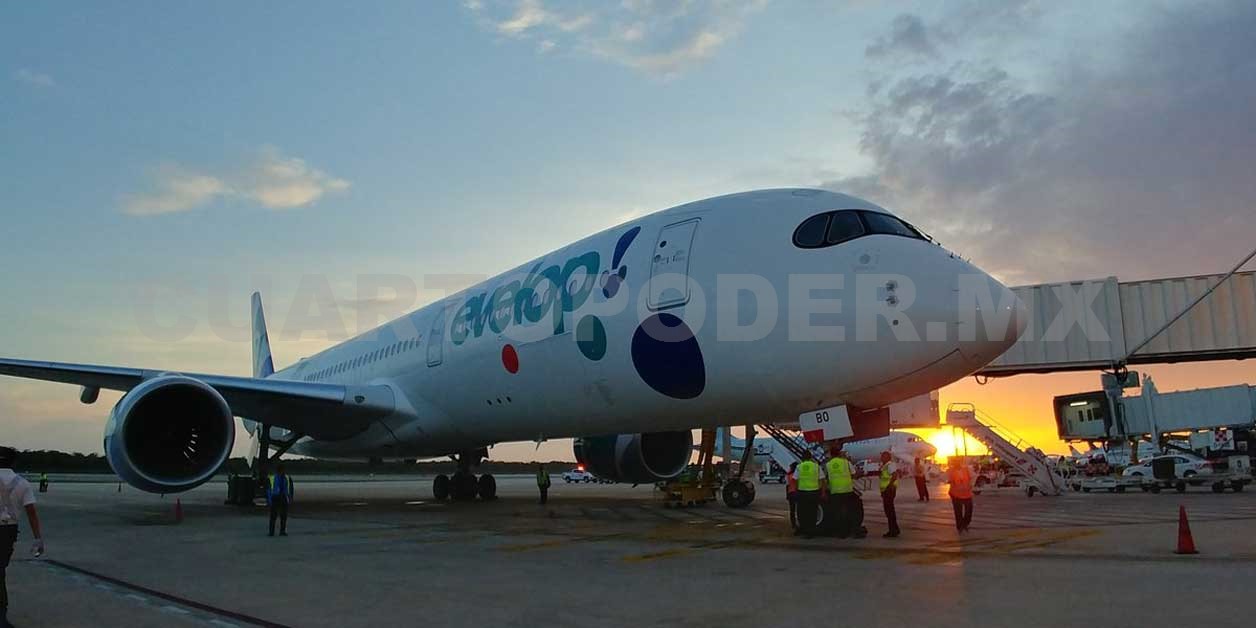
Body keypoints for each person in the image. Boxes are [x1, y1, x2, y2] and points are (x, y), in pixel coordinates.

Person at [1, 447, 44, 628]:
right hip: (7, 532)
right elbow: (31, 512)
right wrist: (37, 538)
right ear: (13, 462)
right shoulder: (22, 483)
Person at [826, 446, 860, 538]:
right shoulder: (846, 462)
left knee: (838, 512)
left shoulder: (828, 465)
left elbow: (827, 477)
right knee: (850, 511)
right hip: (847, 490)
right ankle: (852, 530)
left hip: (835, 491)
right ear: (839, 453)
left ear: (831, 454)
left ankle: (841, 533)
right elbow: (854, 475)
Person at [792, 451, 824, 537]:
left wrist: (796, 490)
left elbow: (795, 479)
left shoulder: (799, 466)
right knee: (812, 512)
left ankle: (804, 530)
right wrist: (821, 491)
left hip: (802, 492)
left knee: (803, 512)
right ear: (811, 457)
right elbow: (821, 479)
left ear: (802, 457)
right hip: (814, 492)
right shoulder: (816, 466)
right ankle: (811, 531)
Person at [267, 463, 294, 537]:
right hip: (276, 497)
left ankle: (280, 531)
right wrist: (270, 500)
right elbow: (269, 490)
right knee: (274, 516)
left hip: (282, 497)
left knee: (283, 516)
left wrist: (290, 498)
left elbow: (290, 488)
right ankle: (273, 532)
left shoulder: (287, 478)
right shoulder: (272, 478)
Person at [948, 458, 974, 532]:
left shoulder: (966, 469)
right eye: (955, 462)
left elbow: (972, 477)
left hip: (967, 493)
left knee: (969, 510)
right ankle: (960, 526)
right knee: (958, 511)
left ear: (961, 463)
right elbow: (946, 479)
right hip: (956, 494)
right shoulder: (951, 471)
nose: (957, 464)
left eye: (958, 462)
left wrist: (971, 485)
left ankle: (965, 524)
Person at [879, 452, 901, 538]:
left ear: (887, 457)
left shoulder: (890, 465)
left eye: (883, 457)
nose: (881, 458)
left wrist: (889, 486)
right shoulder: (885, 466)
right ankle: (895, 529)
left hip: (889, 490)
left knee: (889, 511)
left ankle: (893, 531)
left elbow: (894, 475)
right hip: (886, 490)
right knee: (889, 511)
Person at [785, 462, 799, 530]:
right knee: (799, 509)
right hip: (797, 493)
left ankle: (793, 525)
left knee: (792, 510)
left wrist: (787, 495)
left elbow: (787, 486)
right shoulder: (798, 475)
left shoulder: (788, 475)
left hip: (791, 493)